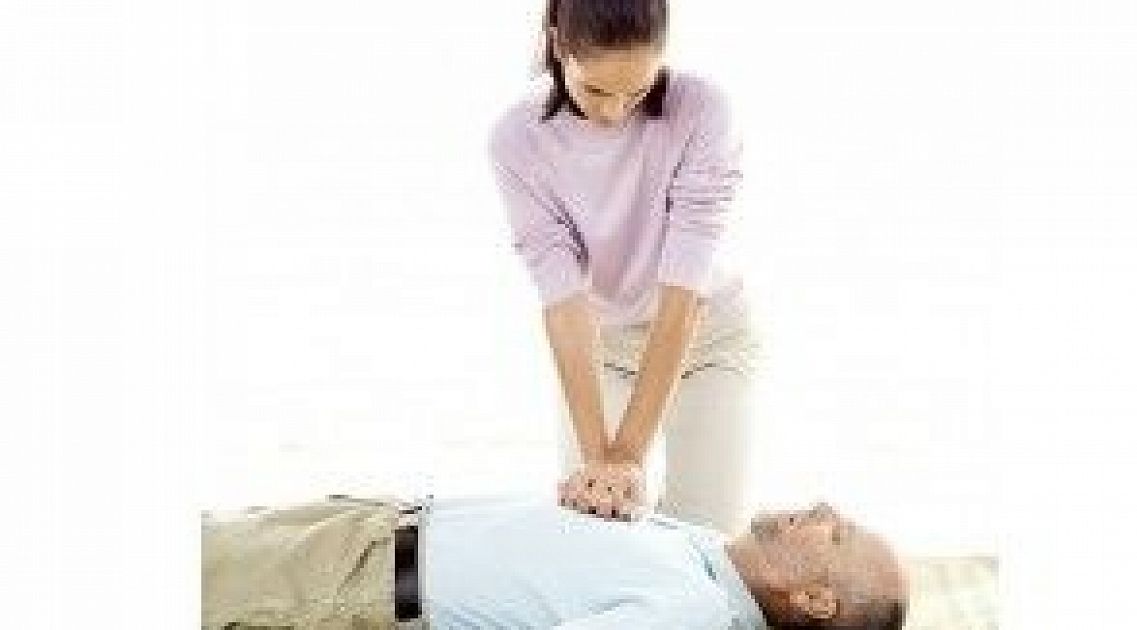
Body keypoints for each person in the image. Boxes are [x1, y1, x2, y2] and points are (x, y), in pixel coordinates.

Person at [487, 0, 763, 536]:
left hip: (709, 340)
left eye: (637, 92)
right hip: (604, 350)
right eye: (596, 91)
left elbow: (683, 296)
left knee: (705, 535)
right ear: (558, 44)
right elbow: (564, 305)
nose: (616, 113)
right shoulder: (517, 140)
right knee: (593, 530)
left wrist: (630, 457)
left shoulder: (704, 110)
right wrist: (601, 466)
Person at [201, 493, 908, 629]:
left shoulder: (691, 612)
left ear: (816, 600)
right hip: (372, 527)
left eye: (838, 534)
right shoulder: (701, 551)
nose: (823, 509)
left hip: (353, 583)